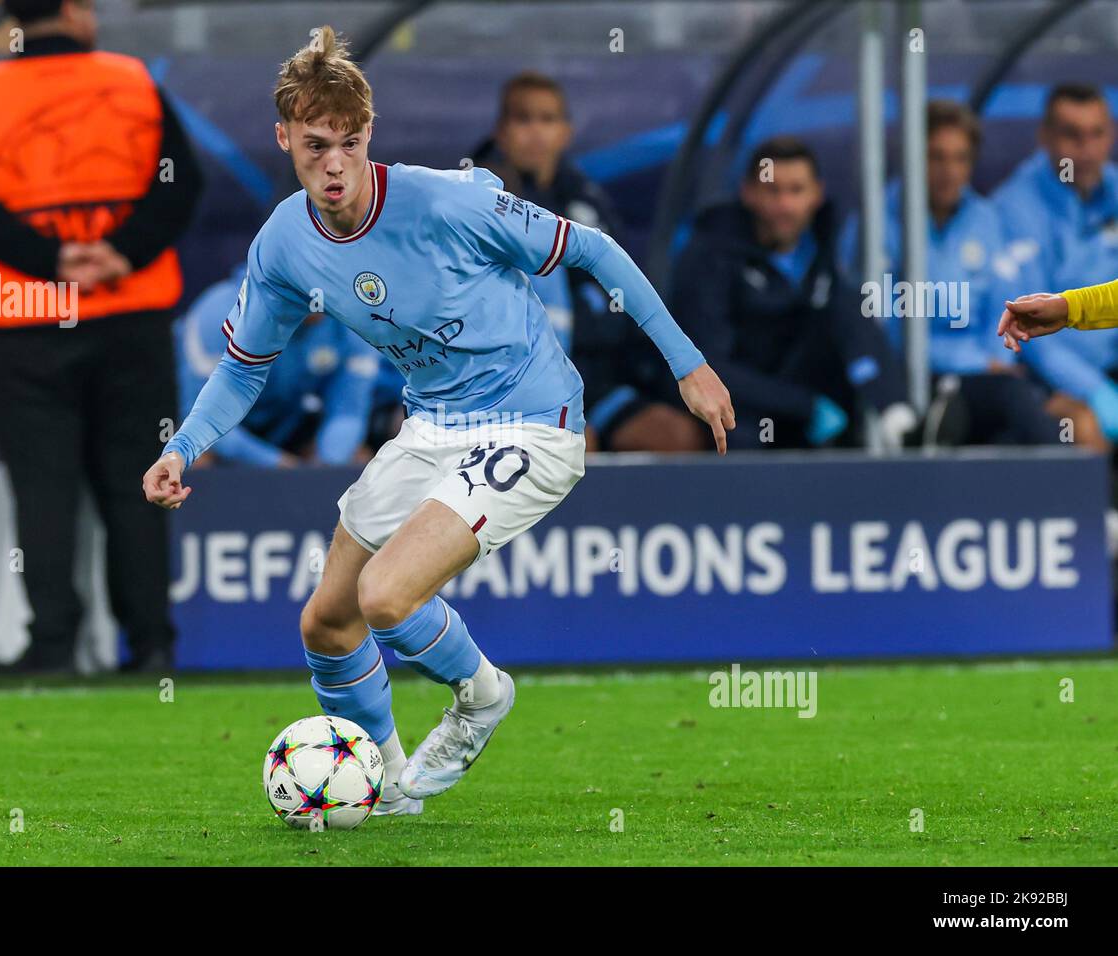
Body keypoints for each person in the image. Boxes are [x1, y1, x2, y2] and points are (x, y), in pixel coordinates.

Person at [143, 27, 733, 816]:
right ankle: (387, 791)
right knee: (327, 622)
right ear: (283, 136)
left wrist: (687, 364)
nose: (335, 165)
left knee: (387, 596)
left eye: (350, 143)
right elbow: (246, 366)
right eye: (315, 145)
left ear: (369, 135)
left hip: (532, 422)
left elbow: (591, 248)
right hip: (431, 428)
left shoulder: (447, 200)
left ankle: (482, 696)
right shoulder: (284, 242)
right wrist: (184, 447)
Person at [0, 0, 203, 674]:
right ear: (77, 14)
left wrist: (52, 260)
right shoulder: (133, 79)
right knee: (138, 486)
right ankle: (151, 647)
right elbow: (180, 184)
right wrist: (118, 251)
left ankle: (53, 646)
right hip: (131, 314)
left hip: (21, 322)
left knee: (43, 488)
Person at [472, 72, 703, 453]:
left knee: (674, 435)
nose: (536, 132)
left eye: (547, 120)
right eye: (523, 120)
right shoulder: (481, 193)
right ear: (501, 131)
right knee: (575, 444)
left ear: (567, 131)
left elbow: (621, 285)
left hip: (593, 377)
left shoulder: (588, 201)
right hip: (506, 378)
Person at [838, 101, 1065, 447]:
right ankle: (1075, 496)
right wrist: (972, 361)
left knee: (1018, 424)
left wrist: (996, 357)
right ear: (913, 158)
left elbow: (1005, 303)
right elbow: (876, 323)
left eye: (960, 158)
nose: (950, 170)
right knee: (1013, 398)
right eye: (937, 157)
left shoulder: (986, 218)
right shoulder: (878, 222)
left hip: (982, 375)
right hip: (912, 376)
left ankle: (1073, 496)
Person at [672, 137, 915, 450]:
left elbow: (851, 333)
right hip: (742, 416)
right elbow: (707, 367)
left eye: (796, 190)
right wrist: (804, 406)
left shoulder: (824, 250)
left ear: (817, 194)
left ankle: (899, 420)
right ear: (748, 193)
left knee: (848, 307)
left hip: (811, 411)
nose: (785, 205)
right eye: (773, 191)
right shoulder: (709, 257)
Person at [992, 83, 1118, 449]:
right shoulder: (1014, 208)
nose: (1088, 149)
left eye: (1097, 134)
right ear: (1045, 137)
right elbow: (1027, 325)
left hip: (1110, 370)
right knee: (1081, 424)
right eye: (1072, 136)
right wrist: (1095, 390)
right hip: (1045, 378)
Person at [176, 264, 380, 467]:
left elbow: (348, 411)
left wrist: (327, 464)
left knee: (358, 458)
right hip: (228, 437)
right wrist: (275, 463)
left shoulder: (350, 319)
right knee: (193, 458)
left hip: (292, 426)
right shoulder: (215, 317)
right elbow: (205, 422)